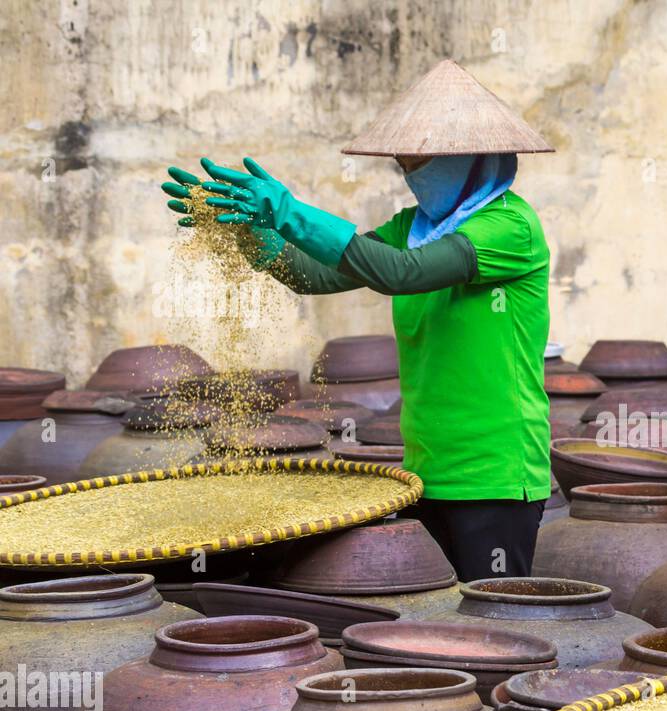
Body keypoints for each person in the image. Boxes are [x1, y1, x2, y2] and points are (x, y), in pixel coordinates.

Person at [161, 60, 554, 581]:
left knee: (489, 624)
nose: (410, 168)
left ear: (474, 158)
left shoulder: (510, 227)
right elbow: (314, 275)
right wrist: (247, 228)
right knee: (430, 626)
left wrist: (291, 212)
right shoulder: (414, 226)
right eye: (404, 158)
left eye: (423, 156)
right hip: (426, 469)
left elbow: (399, 273)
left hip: (495, 475)